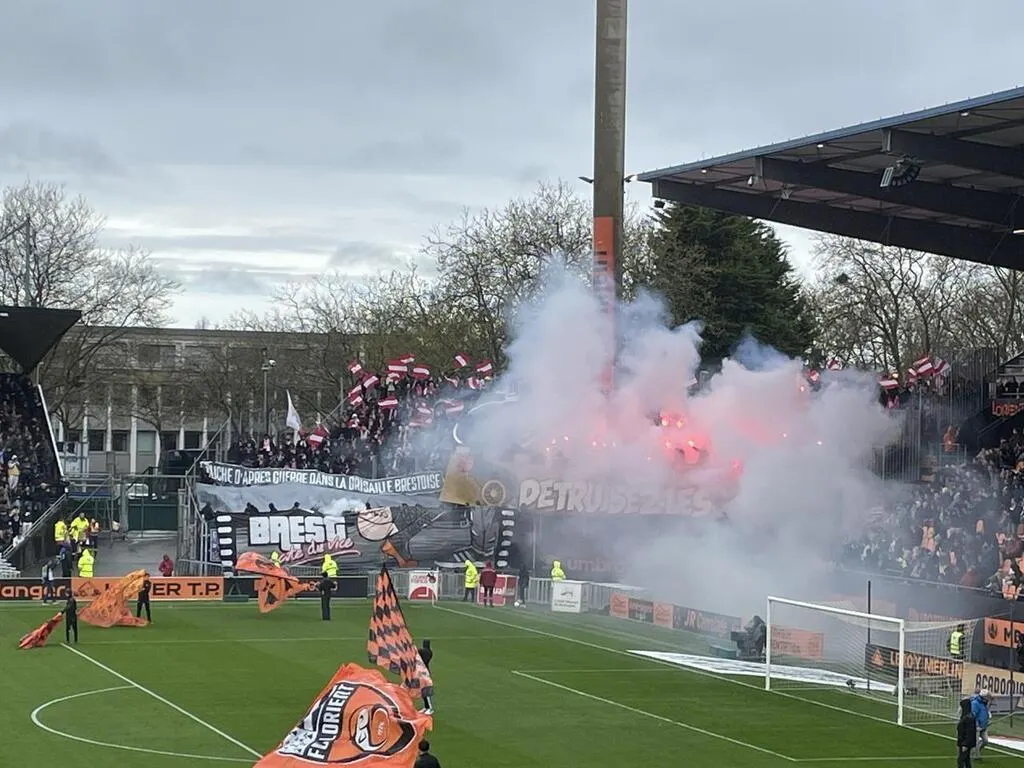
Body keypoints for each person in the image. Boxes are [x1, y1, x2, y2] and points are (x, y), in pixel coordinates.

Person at [970, 689, 991, 761]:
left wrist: (987, 721)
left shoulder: (984, 703)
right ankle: (975, 755)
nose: (988, 698)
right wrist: (976, 725)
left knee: (985, 741)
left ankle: (977, 752)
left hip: (984, 726)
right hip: (977, 726)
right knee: (975, 742)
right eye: (987, 696)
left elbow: (985, 714)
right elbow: (973, 715)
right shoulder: (975, 703)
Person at [957, 697, 977, 768]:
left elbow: (970, 733)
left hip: (965, 743)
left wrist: (965, 744)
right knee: (966, 760)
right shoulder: (966, 716)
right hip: (964, 742)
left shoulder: (968, 718)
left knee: (961, 760)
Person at [418, 639, 433, 715]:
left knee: (426, 692)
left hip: (425, 674)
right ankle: (426, 707)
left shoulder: (426, 652)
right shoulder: (428, 652)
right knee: (423, 692)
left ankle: (430, 708)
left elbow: (418, 651)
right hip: (422, 672)